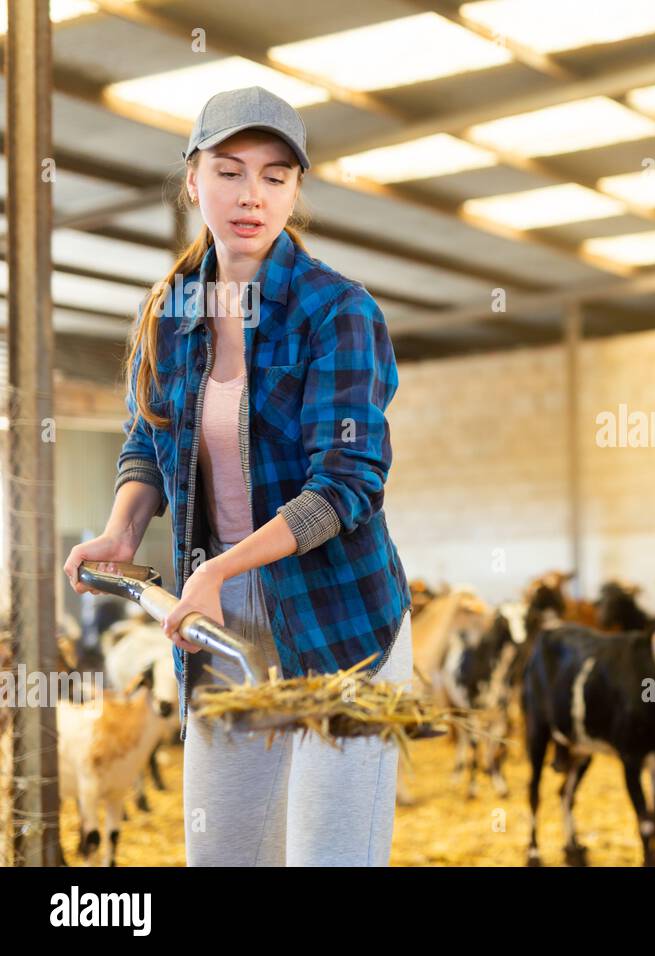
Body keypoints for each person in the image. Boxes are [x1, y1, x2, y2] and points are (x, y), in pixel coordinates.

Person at [62, 86, 414, 865]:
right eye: (229, 172)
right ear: (192, 180)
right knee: (222, 854)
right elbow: (148, 441)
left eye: (275, 175)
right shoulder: (170, 310)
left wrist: (220, 565)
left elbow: (348, 484)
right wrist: (122, 528)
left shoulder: (337, 311)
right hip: (219, 625)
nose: (252, 195)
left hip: (339, 627)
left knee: (329, 855)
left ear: (295, 188)